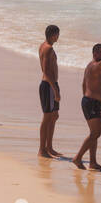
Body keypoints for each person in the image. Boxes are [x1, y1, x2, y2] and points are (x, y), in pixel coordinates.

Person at [73, 43, 101, 170]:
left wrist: (88, 98)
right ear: (94, 54)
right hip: (91, 103)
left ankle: (93, 162)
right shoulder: (95, 66)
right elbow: (99, 65)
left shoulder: (89, 66)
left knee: (94, 133)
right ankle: (78, 158)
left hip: (90, 102)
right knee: (96, 133)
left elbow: (83, 84)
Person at [38, 24, 62, 157]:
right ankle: (42, 149)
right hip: (48, 86)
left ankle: (49, 147)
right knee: (47, 117)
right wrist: (55, 90)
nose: (58, 37)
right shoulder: (47, 49)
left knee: (54, 116)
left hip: (52, 85)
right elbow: (46, 71)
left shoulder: (44, 46)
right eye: (58, 34)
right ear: (53, 35)